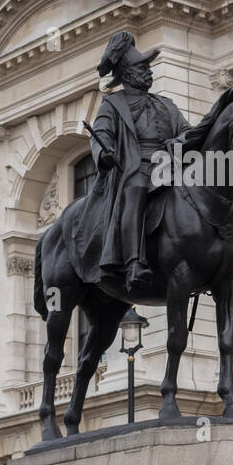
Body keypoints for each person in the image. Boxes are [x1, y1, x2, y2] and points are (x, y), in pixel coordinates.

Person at [70, 31, 188, 294]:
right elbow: (102, 134)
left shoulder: (167, 105)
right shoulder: (112, 105)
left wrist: (180, 143)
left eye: (148, 67)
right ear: (128, 73)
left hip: (169, 164)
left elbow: (186, 132)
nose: (149, 71)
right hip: (134, 167)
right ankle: (134, 262)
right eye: (143, 67)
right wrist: (105, 154)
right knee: (136, 189)